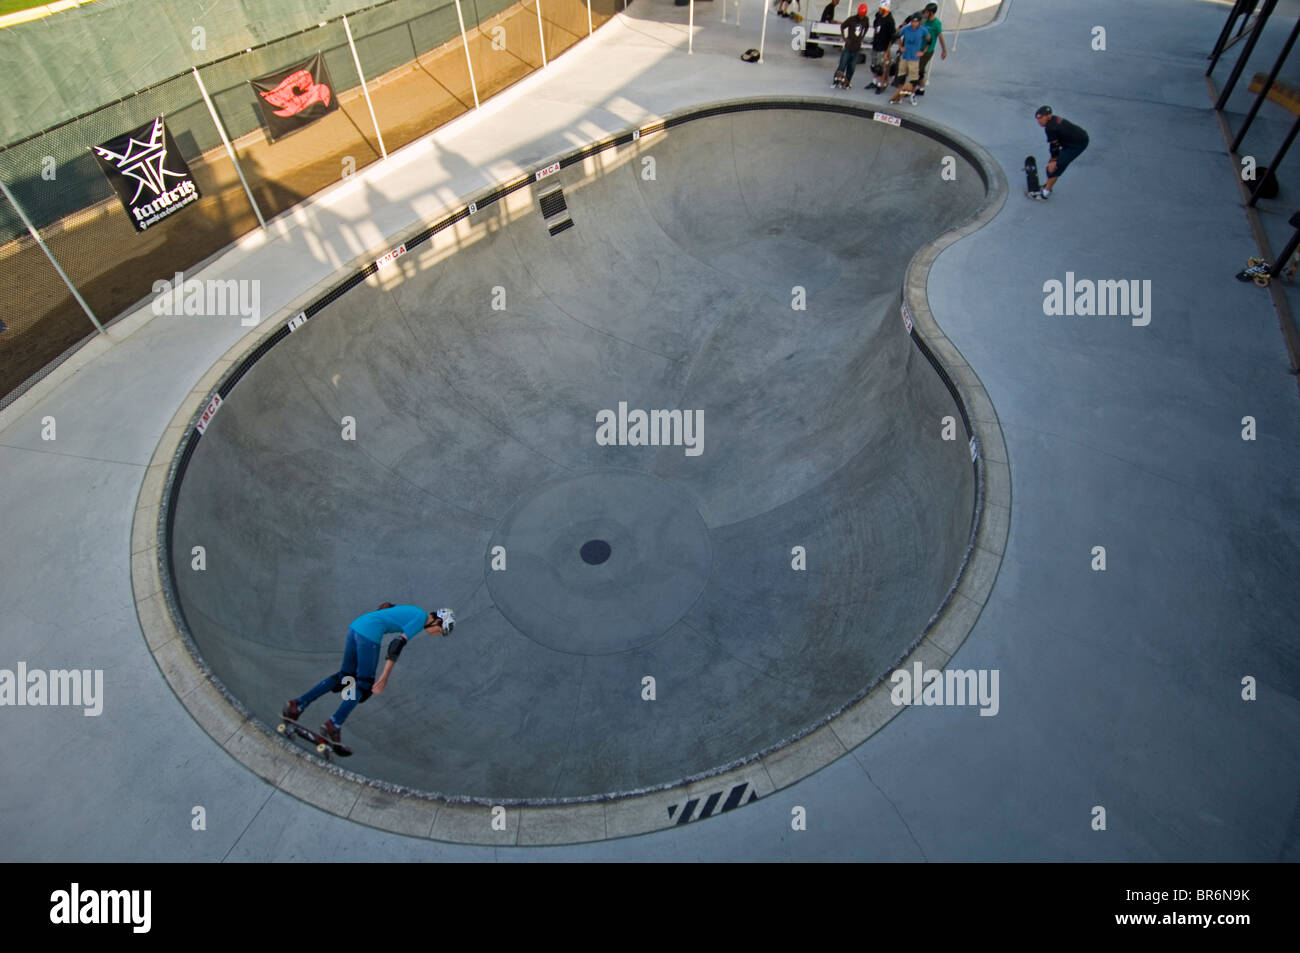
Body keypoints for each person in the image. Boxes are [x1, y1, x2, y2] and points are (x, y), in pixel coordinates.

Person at [282, 602, 455, 744]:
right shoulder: (420, 618)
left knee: (345, 677)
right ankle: (334, 724)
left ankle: (297, 705)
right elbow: (396, 645)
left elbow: (386, 607)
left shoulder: (414, 611)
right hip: (369, 635)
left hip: (356, 626)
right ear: (437, 621)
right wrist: (384, 677)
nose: (435, 634)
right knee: (364, 686)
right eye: (440, 631)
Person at [1030, 105, 1089, 199]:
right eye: (1037, 118)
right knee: (1053, 164)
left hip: (1077, 145)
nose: (1039, 121)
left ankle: (1045, 193)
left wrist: (1053, 161)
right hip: (1071, 140)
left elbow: (1054, 146)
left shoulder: (1051, 128)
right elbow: (1055, 144)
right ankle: (1048, 185)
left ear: (1049, 116)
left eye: (1041, 118)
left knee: (1055, 167)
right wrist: (1053, 158)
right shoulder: (1053, 121)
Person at [889, 12, 927, 104]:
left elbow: (929, 40)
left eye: (916, 22)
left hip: (914, 59)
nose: (914, 24)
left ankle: (912, 95)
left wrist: (923, 52)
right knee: (901, 77)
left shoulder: (923, 30)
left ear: (919, 22)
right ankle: (899, 94)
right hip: (905, 56)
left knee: (913, 80)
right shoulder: (906, 29)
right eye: (913, 22)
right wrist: (900, 46)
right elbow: (897, 35)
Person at [834, 4, 871, 89]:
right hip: (848, 46)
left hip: (857, 48)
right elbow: (842, 26)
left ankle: (847, 82)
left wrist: (862, 36)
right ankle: (836, 80)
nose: (862, 17)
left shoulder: (866, 19)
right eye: (861, 15)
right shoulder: (852, 19)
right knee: (842, 65)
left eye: (863, 15)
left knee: (852, 67)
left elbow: (867, 27)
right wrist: (844, 38)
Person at [916, 2, 947, 95]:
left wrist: (944, 50)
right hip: (919, 48)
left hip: (927, 51)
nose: (925, 13)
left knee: (919, 70)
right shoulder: (925, 20)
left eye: (927, 12)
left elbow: (941, 37)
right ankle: (919, 87)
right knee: (916, 69)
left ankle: (920, 88)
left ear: (931, 13)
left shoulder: (936, 24)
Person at [868, 2, 897, 93]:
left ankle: (881, 84)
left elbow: (893, 37)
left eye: (880, 9)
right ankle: (875, 82)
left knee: (881, 67)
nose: (879, 10)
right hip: (876, 45)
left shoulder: (890, 21)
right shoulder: (878, 16)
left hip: (883, 47)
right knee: (874, 65)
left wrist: (888, 50)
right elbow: (876, 28)